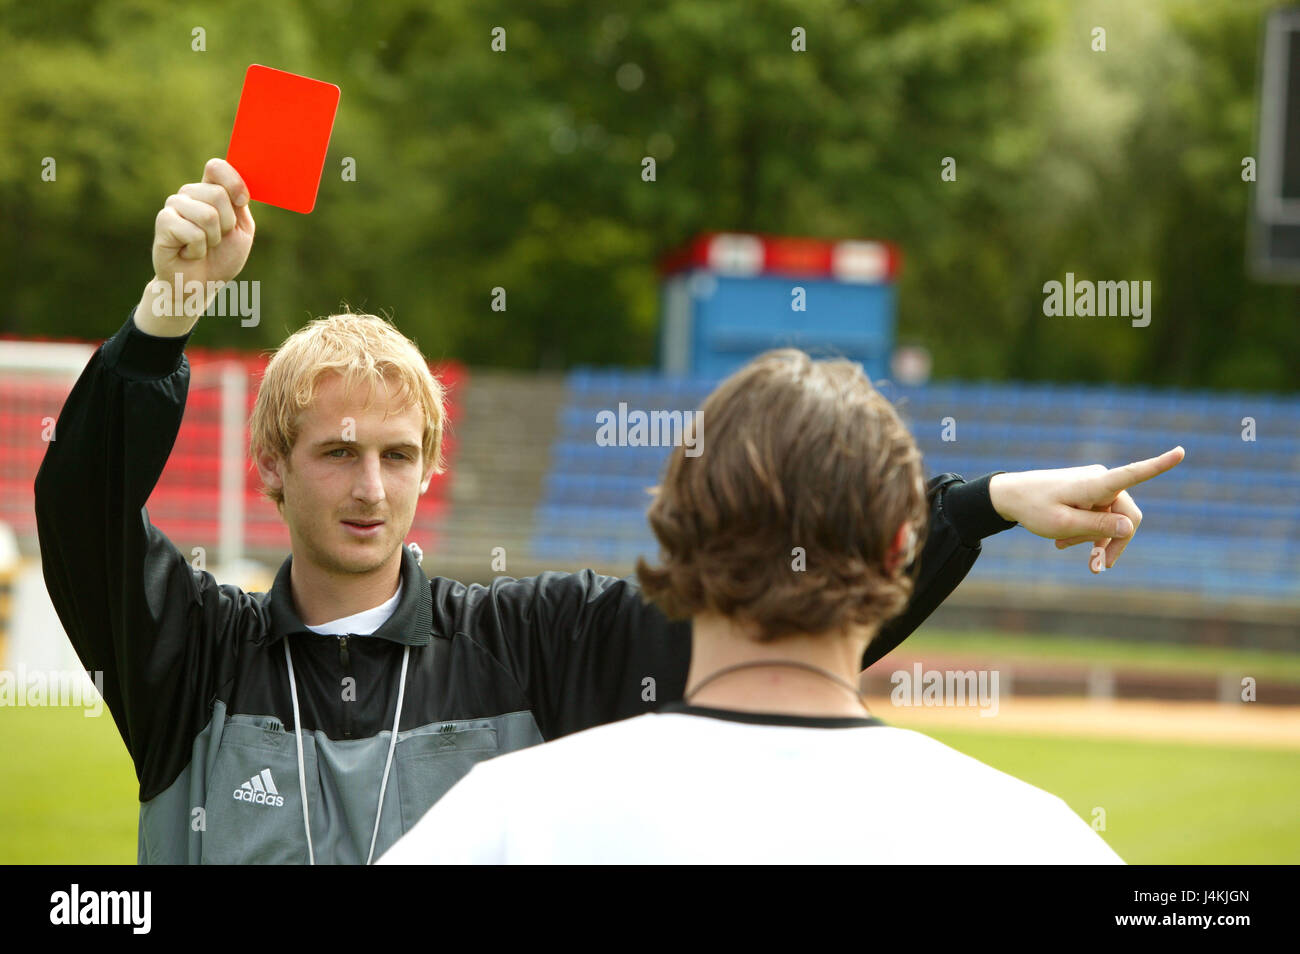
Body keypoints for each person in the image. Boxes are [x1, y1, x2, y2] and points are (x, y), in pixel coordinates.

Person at [34, 158, 1166, 864]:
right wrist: (169, 311)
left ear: (431, 463)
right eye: (335, 455)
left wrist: (984, 505)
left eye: (394, 453)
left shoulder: (536, 642)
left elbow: (782, 608)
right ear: (270, 472)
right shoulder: (186, 651)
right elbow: (79, 507)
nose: (368, 487)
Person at [379, 351, 1184, 864]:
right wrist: (985, 504)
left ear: (675, 537)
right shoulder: (1034, 838)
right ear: (903, 550)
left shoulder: (503, 820)